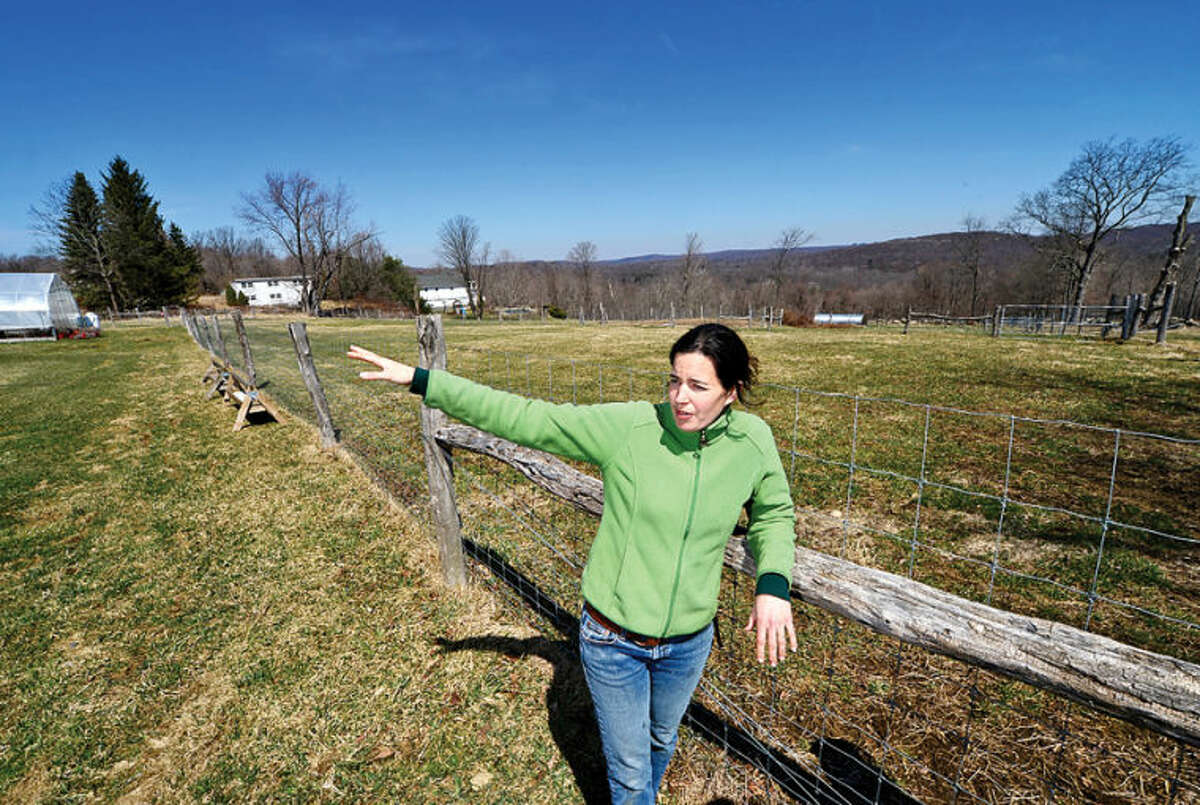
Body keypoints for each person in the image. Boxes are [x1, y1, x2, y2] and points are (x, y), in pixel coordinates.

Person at [348, 322, 797, 804]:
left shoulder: (753, 442)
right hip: (613, 640)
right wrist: (424, 381)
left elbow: (774, 513)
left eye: (697, 386)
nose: (679, 397)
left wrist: (772, 584)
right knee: (628, 771)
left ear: (732, 391)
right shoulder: (631, 428)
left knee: (661, 741)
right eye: (673, 380)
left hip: (688, 643)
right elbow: (527, 417)